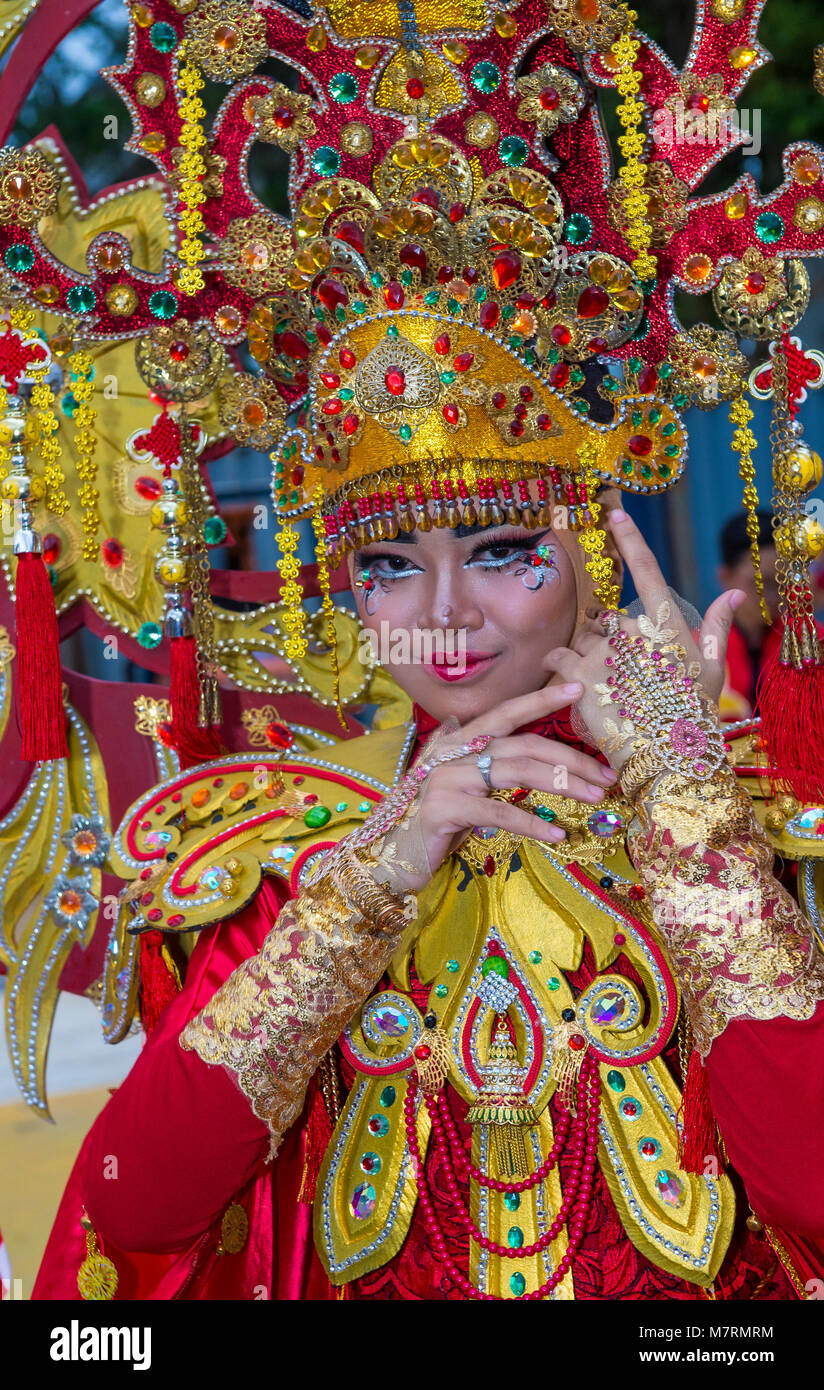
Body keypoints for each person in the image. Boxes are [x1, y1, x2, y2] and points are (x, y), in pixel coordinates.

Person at [12, 0, 824, 1303]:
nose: (443, 609)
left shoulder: (745, 811)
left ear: (597, 543)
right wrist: (370, 883)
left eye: (503, 549)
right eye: (388, 562)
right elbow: (137, 1205)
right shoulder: (298, 862)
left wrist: (684, 813)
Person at [717, 511, 779, 719]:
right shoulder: (698, 652)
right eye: (761, 584)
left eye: (782, 582)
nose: (775, 596)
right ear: (726, 577)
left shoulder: (812, 644)